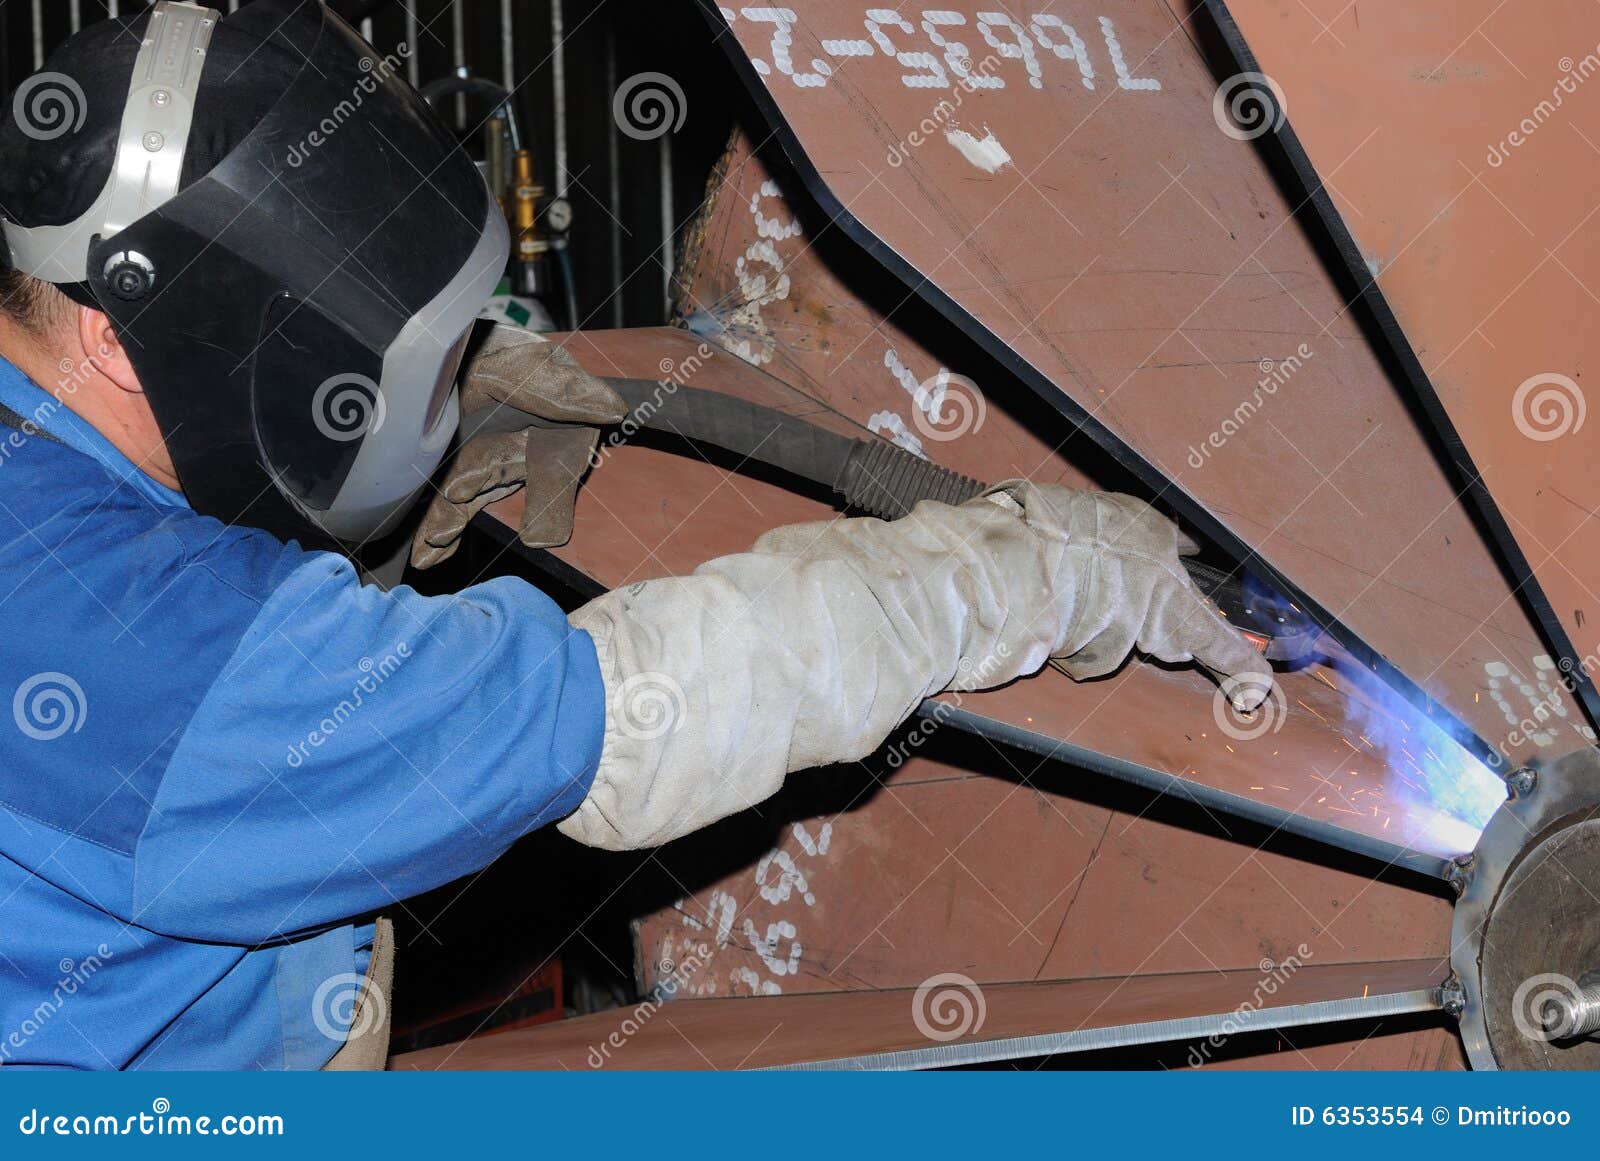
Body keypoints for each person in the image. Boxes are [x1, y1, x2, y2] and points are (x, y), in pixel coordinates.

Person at [0, 0, 1272, 1070]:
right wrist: (1031, 575)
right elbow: (634, 710)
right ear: (120, 334)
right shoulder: (134, 643)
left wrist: (399, 459)